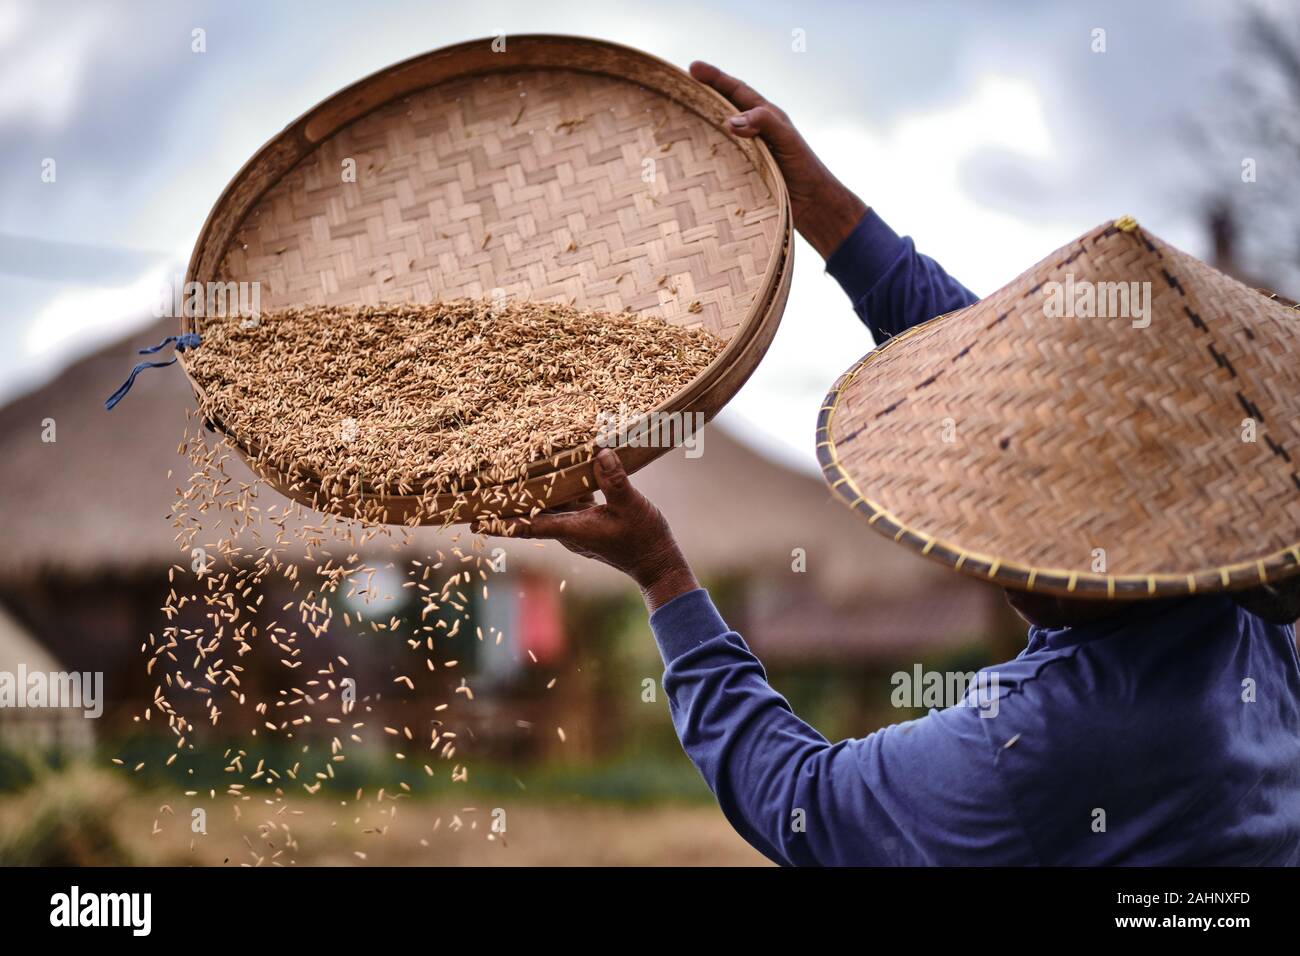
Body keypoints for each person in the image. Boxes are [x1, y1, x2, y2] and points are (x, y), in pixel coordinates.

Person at [478, 62, 1300, 865]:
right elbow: (994, 383)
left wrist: (662, 576)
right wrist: (830, 214)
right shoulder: (1237, 617)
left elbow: (803, 801)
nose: (983, 523)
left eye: (1009, 499)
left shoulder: (1043, 742)